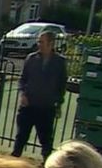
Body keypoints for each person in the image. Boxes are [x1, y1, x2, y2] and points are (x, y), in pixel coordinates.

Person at [12, 30, 67, 160]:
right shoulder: (31, 59)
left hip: (46, 107)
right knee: (21, 135)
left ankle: (47, 164)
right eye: (38, 41)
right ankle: (13, 160)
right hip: (28, 105)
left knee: (46, 138)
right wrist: (23, 94)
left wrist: (58, 104)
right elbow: (23, 79)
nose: (39, 44)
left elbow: (61, 84)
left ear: (51, 44)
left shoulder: (59, 62)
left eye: (42, 42)